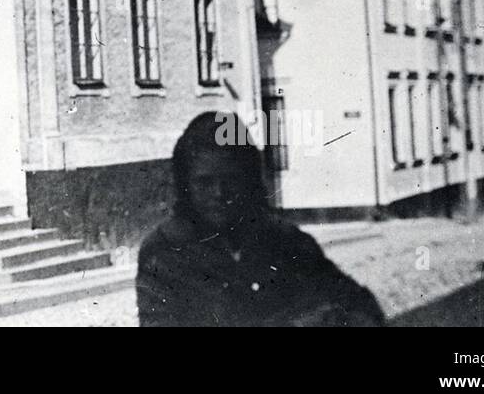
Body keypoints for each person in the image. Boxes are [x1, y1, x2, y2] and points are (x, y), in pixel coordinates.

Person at [137, 111, 386, 327]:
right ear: (186, 186)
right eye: (204, 182)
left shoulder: (288, 242)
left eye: (230, 179)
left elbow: (360, 307)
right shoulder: (165, 251)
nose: (219, 193)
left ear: (249, 179)